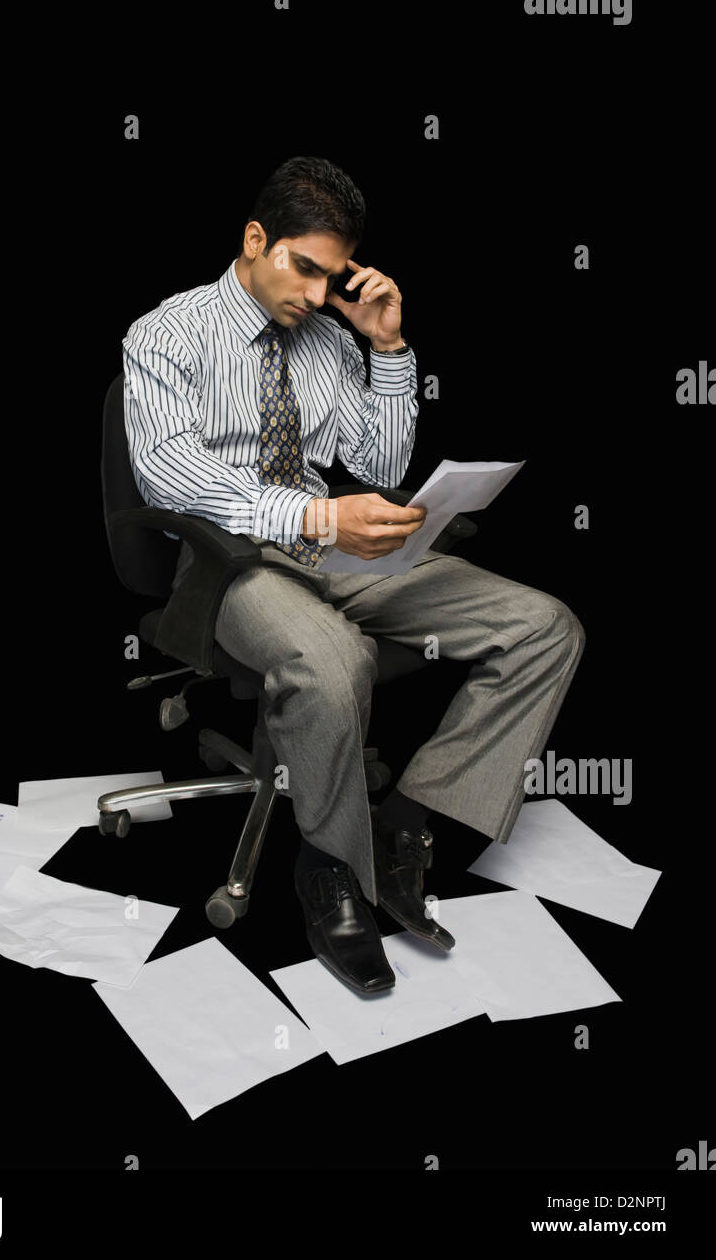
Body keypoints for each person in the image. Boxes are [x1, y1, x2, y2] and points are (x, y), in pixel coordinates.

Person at [122, 156, 585, 996]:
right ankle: (329, 871)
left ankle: (408, 826)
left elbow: (376, 463)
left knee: (544, 627)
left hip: (328, 546)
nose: (313, 292)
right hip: (226, 556)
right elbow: (170, 477)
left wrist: (388, 348)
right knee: (335, 663)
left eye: (331, 276)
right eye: (303, 266)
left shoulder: (330, 339)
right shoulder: (166, 333)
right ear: (255, 239)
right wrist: (316, 515)